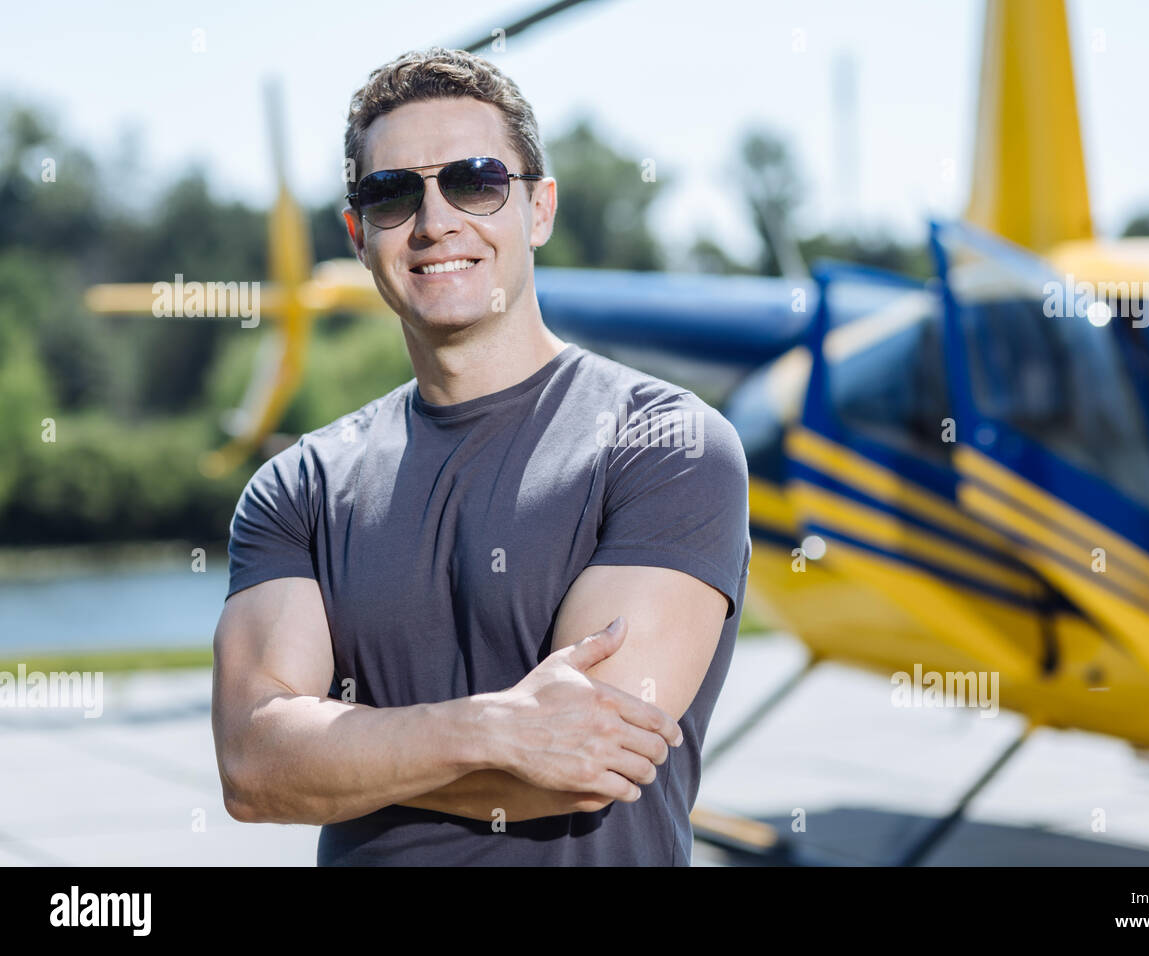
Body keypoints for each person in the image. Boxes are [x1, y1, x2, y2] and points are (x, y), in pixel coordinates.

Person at [210, 46, 751, 865]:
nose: (435, 223)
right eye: (392, 195)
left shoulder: (668, 442)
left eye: (475, 181)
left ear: (539, 210)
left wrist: (340, 752)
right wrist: (491, 728)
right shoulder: (298, 486)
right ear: (359, 235)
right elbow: (253, 768)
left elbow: (583, 765)